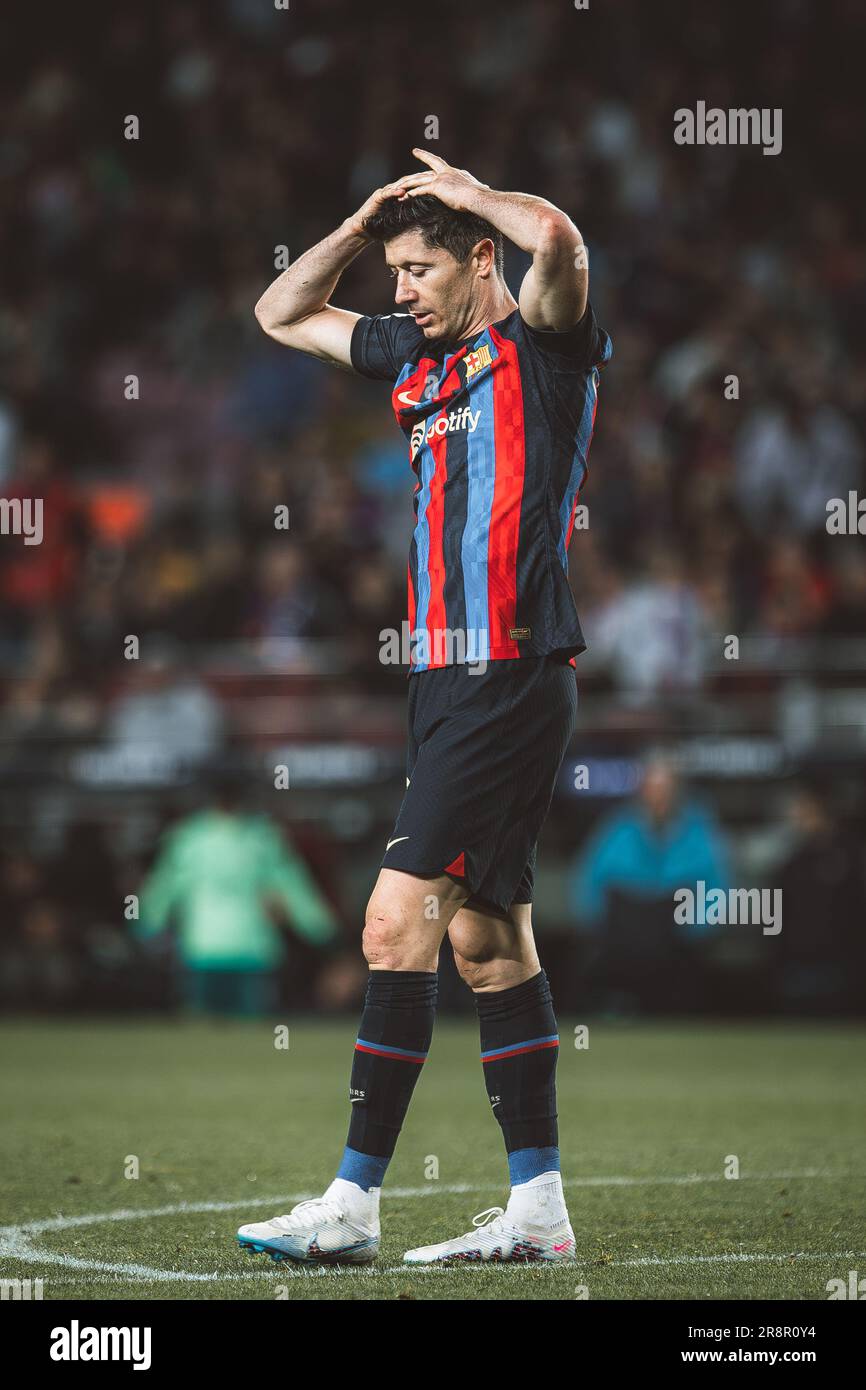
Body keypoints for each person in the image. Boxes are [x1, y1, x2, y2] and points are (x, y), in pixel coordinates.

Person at [237, 150, 612, 1266]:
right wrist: (359, 225)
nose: (396, 291)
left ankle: (351, 1204)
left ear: (478, 260)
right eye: (392, 270)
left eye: (417, 268)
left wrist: (469, 194)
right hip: (442, 681)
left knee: (392, 925)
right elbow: (277, 310)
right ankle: (537, 1213)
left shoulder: (541, 346)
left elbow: (563, 243)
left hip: (507, 671)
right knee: (487, 947)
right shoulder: (413, 352)